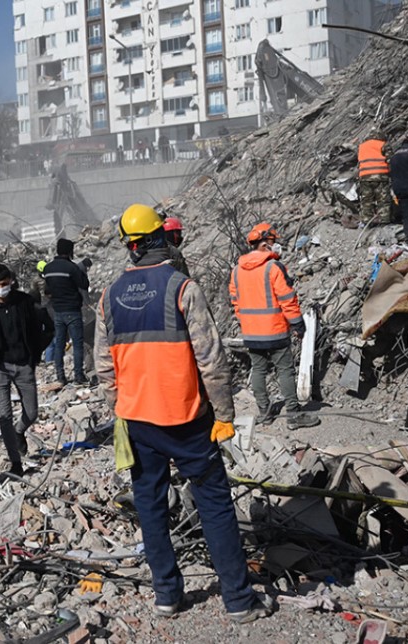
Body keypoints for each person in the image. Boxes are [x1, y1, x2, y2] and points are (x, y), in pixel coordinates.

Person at [95, 203, 273, 622]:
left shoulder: (108, 296)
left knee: (151, 507)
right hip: (187, 419)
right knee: (214, 505)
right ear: (161, 238)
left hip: (138, 422)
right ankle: (238, 600)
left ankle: (167, 596)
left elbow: (103, 367)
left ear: (130, 246)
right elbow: (211, 359)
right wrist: (224, 414)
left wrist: (121, 408)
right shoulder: (182, 288)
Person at [229, 223, 318, 429]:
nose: (275, 245)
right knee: (285, 370)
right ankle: (293, 415)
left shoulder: (236, 271)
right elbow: (287, 299)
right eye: (273, 241)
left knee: (258, 370)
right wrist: (297, 323)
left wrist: (247, 323)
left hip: (251, 332)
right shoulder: (273, 267)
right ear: (265, 243)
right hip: (275, 330)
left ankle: (264, 413)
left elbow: (235, 302)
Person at [0, 263, 54, 475]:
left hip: (23, 365)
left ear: (11, 282)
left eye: (4, 284)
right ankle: (15, 462)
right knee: (4, 416)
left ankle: (19, 432)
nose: (1, 288)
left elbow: (46, 328)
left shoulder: (25, 302)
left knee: (32, 412)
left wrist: (35, 353)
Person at [43, 238, 90, 384]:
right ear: (70, 251)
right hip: (72, 310)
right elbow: (84, 284)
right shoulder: (72, 268)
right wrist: (83, 271)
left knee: (59, 344)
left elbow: (47, 290)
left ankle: (60, 376)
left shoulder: (48, 269)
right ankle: (78, 375)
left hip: (57, 311)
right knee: (77, 344)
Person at [357, 132, 391, 226]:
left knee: (366, 200)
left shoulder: (361, 146)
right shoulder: (383, 144)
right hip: (380, 175)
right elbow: (390, 160)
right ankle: (384, 220)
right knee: (383, 199)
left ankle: (367, 220)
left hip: (365, 176)